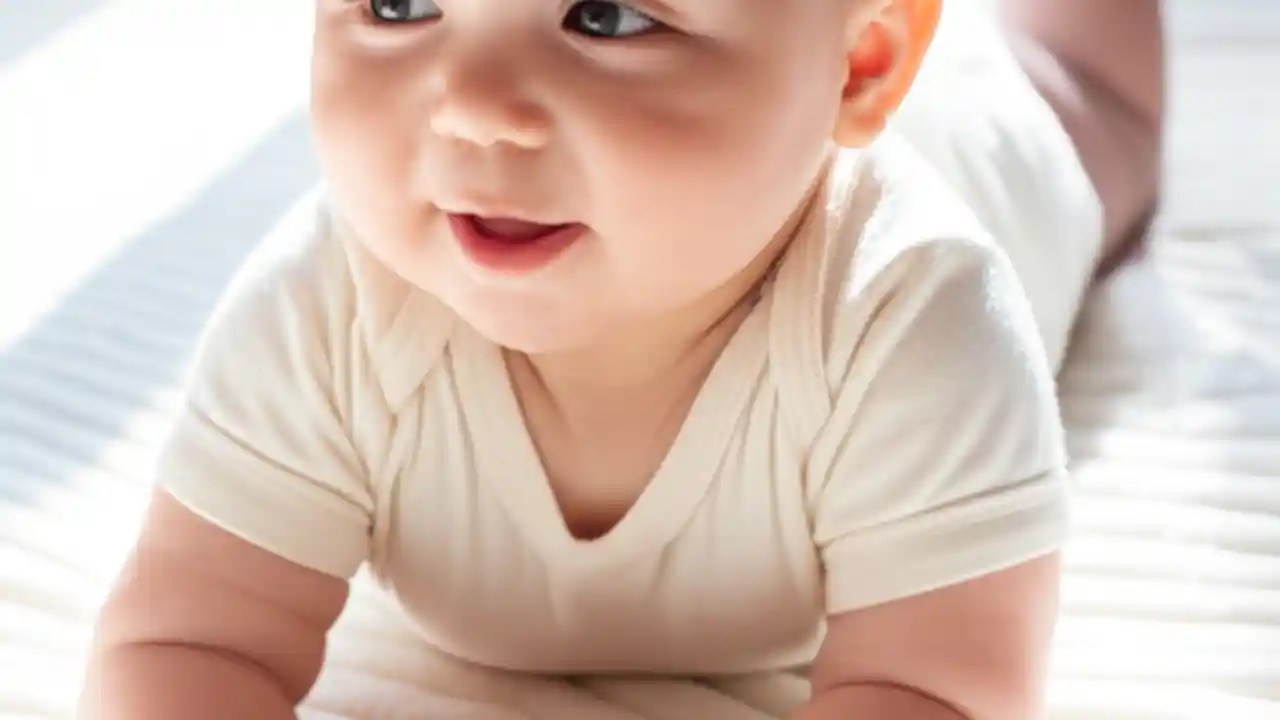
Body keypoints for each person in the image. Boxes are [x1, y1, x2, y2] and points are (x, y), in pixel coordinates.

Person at [80, 0, 1163, 718]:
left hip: (989, 143)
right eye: (401, 2)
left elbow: (936, 690)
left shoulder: (910, 313)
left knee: (1088, 104)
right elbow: (189, 640)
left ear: (857, 66)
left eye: (606, 16)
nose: (473, 107)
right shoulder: (327, 310)